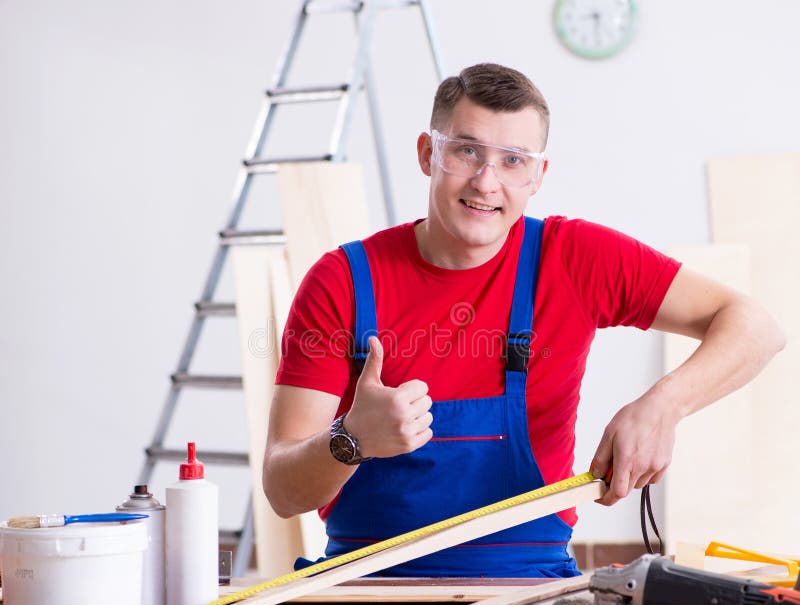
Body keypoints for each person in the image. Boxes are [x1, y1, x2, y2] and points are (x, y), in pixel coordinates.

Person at [262, 63, 784, 577]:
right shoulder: (342, 281)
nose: (487, 182)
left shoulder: (573, 259)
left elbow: (756, 327)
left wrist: (664, 405)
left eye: (513, 160)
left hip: (525, 592)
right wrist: (351, 438)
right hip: (361, 590)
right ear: (428, 154)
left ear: (538, 175)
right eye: (467, 151)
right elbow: (284, 492)